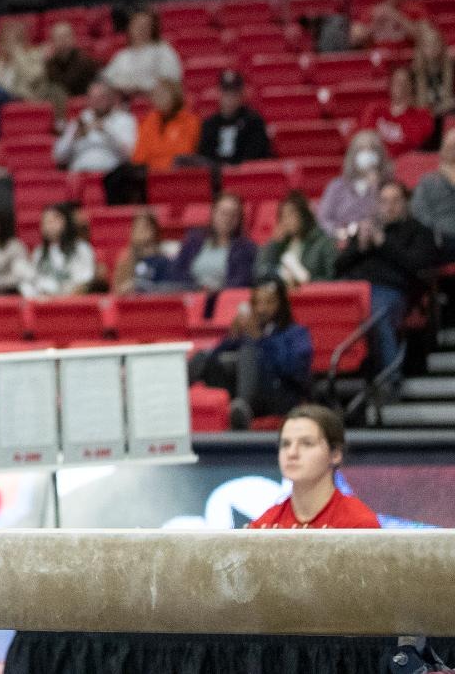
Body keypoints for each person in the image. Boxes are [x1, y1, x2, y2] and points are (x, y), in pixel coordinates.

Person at [335, 179, 436, 384]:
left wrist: (383, 243)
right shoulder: (366, 231)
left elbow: (417, 265)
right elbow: (338, 266)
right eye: (384, 201)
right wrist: (359, 247)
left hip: (391, 291)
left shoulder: (418, 231)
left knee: (375, 313)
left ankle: (390, 380)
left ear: (406, 203)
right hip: (353, 289)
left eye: (395, 200)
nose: (389, 206)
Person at [187, 279, 311, 428]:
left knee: (248, 351)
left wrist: (260, 340)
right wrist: (233, 336)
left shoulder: (296, 333)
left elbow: (293, 370)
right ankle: (172, 394)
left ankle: (242, 407)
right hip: (238, 392)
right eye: (257, 303)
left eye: (269, 303)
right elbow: (215, 356)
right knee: (204, 357)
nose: (262, 309)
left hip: (279, 394)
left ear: (282, 304)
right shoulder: (249, 332)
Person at [246, 404, 381, 529]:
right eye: (285, 444)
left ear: (335, 454)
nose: (292, 453)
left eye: (307, 443)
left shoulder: (359, 524)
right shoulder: (264, 525)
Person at [112, 78, 202, 204]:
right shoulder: (150, 121)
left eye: (163, 94)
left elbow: (184, 153)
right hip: (149, 175)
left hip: (174, 176)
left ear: (175, 96)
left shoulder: (189, 121)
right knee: (118, 174)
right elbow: (138, 156)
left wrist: (157, 160)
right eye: (156, 95)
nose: (159, 99)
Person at [52, 81, 137, 178]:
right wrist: (73, 137)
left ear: (111, 98)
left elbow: (132, 155)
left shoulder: (125, 120)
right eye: (93, 98)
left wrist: (106, 130)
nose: (97, 102)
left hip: (112, 177)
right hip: (80, 174)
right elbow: (59, 157)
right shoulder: (80, 121)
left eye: (101, 97)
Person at [176, 194, 257, 291]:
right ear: (213, 213)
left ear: (240, 219)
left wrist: (215, 293)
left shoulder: (246, 248)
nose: (227, 218)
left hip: (224, 300)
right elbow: (178, 271)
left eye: (233, 214)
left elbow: (241, 281)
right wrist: (196, 289)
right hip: (191, 295)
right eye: (223, 213)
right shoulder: (194, 240)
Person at [317, 131, 392, 235]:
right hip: (340, 240)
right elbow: (323, 219)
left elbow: (386, 219)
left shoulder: (388, 187)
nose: (367, 153)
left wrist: (375, 188)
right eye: (361, 149)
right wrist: (338, 232)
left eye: (372, 149)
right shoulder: (337, 186)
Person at [257, 191, 338, 287]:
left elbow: (333, 279)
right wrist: (274, 244)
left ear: (304, 215)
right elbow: (260, 273)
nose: (287, 220)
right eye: (283, 216)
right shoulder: (280, 245)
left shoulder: (323, 242)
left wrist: (309, 281)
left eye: (291, 214)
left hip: (314, 296)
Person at [197, 70, 273, 166]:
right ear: (219, 94)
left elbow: (257, 154)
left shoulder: (253, 122)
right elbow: (204, 155)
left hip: (244, 177)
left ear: (241, 95)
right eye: (226, 94)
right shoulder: (210, 124)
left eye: (234, 94)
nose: (229, 99)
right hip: (215, 176)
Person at [21, 203, 97, 298]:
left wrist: (63, 297)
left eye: (54, 220)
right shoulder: (39, 252)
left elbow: (85, 281)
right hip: (45, 303)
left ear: (66, 222)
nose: (49, 225)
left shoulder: (81, 248)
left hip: (72, 302)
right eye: (46, 221)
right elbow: (34, 281)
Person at [101, 8, 182, 97]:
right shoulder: (122, 55)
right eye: (137, 25)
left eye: (145, 26)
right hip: (123, 103)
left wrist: (140, 87)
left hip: (154, 102)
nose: (141, 29)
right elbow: (107, 80)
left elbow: (171, 80)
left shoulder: (163, 51)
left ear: (153, 28)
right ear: (129, 27)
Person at [358, 68, 435, 155]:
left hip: (404, 163)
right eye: (396, 81)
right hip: (375, 159)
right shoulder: (375, 109)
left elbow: (413, 143)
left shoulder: (422, 116)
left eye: (403, 82)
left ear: (412, 86)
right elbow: (365, 136)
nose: (399, 85)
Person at [408, 127, 455, 262]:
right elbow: (419, 212)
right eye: (450, 147)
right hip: (439, 238)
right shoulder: (428, 181)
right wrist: (437, 232)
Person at [111, 210, 181, 295]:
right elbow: (117, 292)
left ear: (154, 229)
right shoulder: (126, 260)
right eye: (137, 227)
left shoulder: (165, 257)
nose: (141, 231)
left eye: (145, 226)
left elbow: (172, 286)